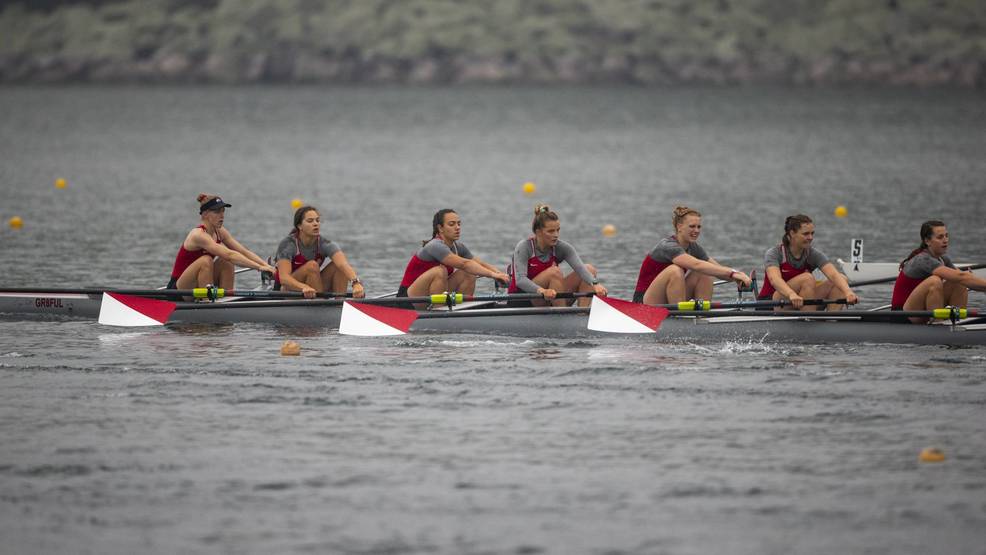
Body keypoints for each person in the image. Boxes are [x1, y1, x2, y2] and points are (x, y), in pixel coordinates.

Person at [633, 206, 751, 305]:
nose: (696, 230)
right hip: (644, 303)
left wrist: (738, 278)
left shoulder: (694, 247)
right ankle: (679, 319)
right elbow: (697, 264)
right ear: (679, 226)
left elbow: (717, 269)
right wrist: (733, 273)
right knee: (675, 270)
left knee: (706, 271)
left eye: (699, 227)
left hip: (668, 298)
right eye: (692, 226)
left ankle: (702, 316)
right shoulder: (668, 246)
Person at [398, 209, 510, 304]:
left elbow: (480, 264)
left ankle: (464, 308)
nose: (457, 227)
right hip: (408, 299)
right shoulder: (435, 246)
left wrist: (500, 274)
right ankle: (439, 311)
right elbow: (464, 264)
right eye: (451, 224)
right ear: (440, 228)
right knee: (439, 271)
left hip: (431, 295)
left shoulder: (458, 247)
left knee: (470, 272)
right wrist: (492, 275)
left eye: (459, 224)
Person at [507, 204, 607, 307]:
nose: (556, 235)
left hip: (550, 297)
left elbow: (580, 268)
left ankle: (582, 315)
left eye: (557, 230)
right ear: (538, 232)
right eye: (550, 231)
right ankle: (561, 315)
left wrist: (596, 284)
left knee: (589, 269)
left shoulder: (562, 247)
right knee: (554, 273)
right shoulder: (524, 247)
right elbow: (520, 280)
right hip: (522, 299)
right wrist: (542, 291)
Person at [168, 194, 275, 290]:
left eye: (223, 211)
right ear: (205, 214)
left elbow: (243, 251)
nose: (222, 215)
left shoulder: (220, 231)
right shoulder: (198, 235)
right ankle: (207, 303)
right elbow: (230, 254)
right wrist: (259, 267)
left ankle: (226, 301)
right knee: (206, 261)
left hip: (199, 284)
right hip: (179, 288)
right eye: (217, 212)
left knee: (226, 262)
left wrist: (267, 267)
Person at [891, 220, 986, 323]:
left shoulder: (943, 259)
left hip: (922, 310)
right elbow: (961, 276)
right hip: (903, 315)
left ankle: (958, 323)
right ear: (927, 241)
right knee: (934, 281)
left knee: (959, 282)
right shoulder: (923, 259)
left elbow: (965, 279)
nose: (945, 240)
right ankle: (938, 323)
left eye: (946, 236)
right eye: (940, 237)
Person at [757, 214, 858, 311]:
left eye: (812, 233)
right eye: (806, 234)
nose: (810, 237)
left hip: (798, 301)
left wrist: (848, 292)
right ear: (792, 233)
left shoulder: (812, 254)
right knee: (807, 278)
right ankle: (809, 322)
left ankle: (831, 322)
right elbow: (774, 279)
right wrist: (791, 294)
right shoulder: (775, 253)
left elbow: (833, 275)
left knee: (841, 280)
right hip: (770, 304)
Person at [272, 205, 364, 299]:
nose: (315, 224)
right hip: (287, 291)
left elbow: (343, 264)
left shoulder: (324, 243)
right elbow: (284, 278)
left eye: (317, 220)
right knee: (312, 266)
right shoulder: (288, 244)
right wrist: (303, 287)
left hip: (312, 289)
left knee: (338, 266)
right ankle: (321, 304)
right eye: (310, 221)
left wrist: (356, 283)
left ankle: (339, 304)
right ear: (299, 226)